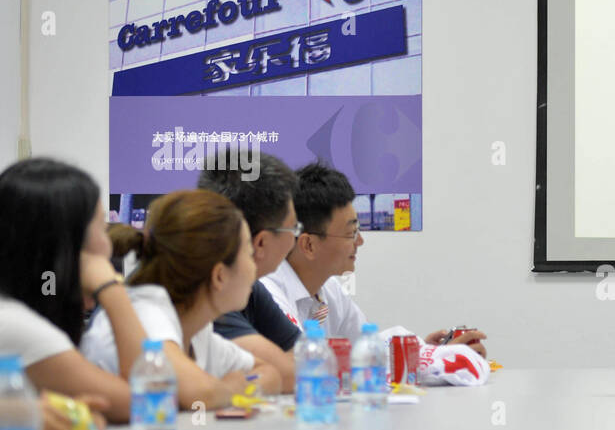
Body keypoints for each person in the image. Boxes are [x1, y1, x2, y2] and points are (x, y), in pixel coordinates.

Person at [80, 190, 282, 408]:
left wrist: (232, 389)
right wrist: (232, 389)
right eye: (249, 253)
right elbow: (199, 393)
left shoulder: (196, 329)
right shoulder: (146, 312)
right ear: (219, 276)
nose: (254, 267)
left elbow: (270, 373)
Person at [260, 162, 488, 356]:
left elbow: (366, 349)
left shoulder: (328, 288)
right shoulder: (268, 292)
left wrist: (430, 352)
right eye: (351, 234)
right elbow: (304, 363)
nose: (360, 242)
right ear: (309, 245)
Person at [0, 157, 146, 422]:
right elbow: (147, 400)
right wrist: (112, 290)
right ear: (66, 243)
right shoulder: (17, 324)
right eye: (101, 228)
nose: (109, 247)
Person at [196, 152, 302, 390]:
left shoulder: (247, 286)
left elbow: (306, 360)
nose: (294, 240)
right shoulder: (198, 286)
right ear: (260, 242)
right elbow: (291, 375)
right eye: (293, 228)